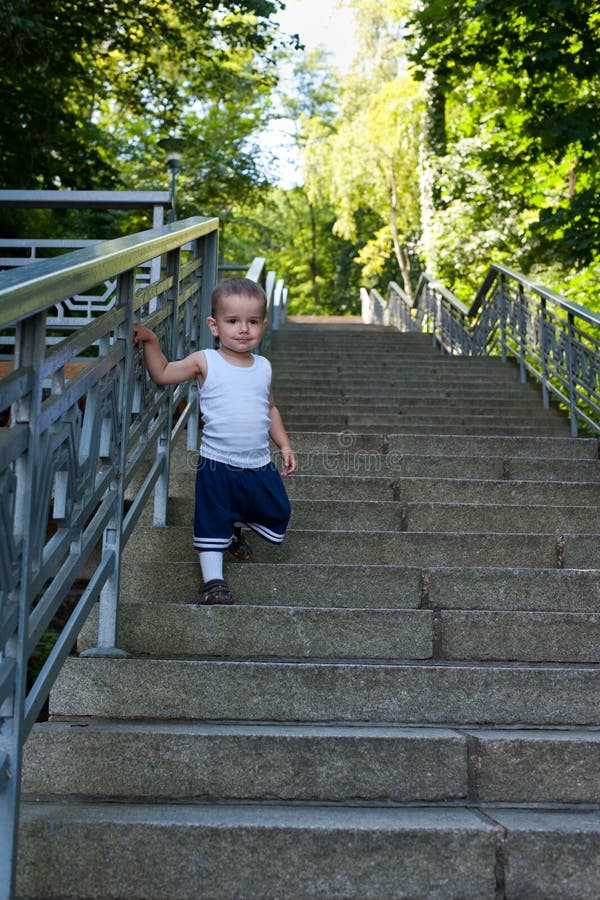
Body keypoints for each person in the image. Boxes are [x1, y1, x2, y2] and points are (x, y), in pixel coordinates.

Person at [133, 277, 296, 605]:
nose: (243, 329)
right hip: (217, 462)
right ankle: (214, 582)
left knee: (278, 509)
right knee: (210, 519)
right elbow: (163, 373)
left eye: (252, 322)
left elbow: (270, 407)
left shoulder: (263, 367)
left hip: (258, 462)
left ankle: (234, 528)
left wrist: (284, 445)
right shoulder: (205, 361)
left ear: (263, 325)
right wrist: (151, 341)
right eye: (233, 321)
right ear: (214, 325)